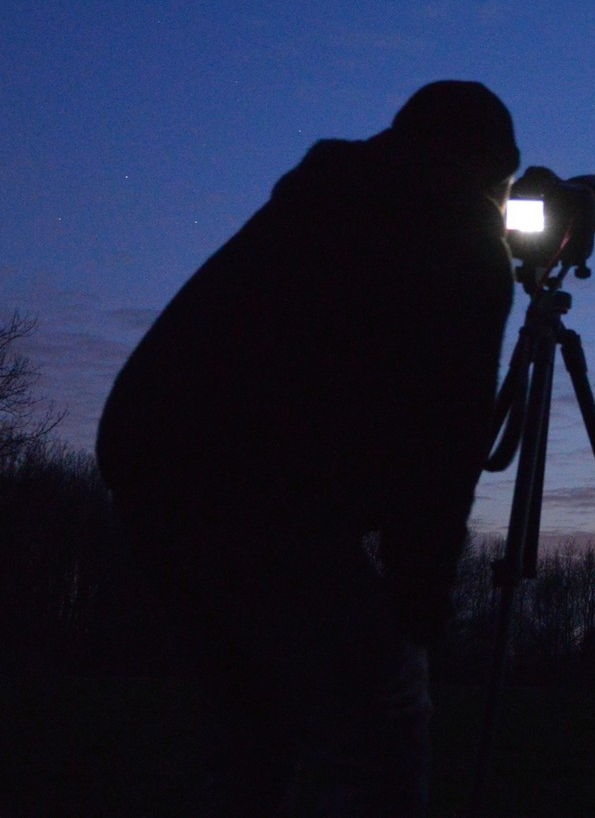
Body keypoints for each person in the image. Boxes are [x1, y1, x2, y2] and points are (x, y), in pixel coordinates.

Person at [95, 80, 519, 815]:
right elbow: (442, 451)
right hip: (255, 497)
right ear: (488, 168)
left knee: (251, 721)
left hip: (150, 467)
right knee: (378, 725)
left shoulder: (322, 200)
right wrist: (418, 614)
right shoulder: (460, 236)